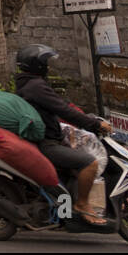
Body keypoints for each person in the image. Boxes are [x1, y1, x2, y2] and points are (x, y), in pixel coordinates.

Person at [14, 44, 112, 225]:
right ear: (37, 65)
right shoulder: (36, 86)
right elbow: (64, 111)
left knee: (78, 156)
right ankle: (82, 205)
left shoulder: (29, 83)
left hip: (49, 139)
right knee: (90, 162)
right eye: (45, 62)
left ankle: (67, 205)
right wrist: (95, 124)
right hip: (48, 144)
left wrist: (85, 117)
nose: (47, 66)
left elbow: (61, 104)